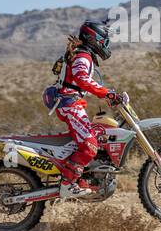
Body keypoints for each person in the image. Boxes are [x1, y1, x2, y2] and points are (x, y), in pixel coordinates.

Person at [42, 19, 128, 199]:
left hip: (70, 103)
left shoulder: (81, 54)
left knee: (88, 140)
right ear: (94, 38)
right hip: (69, 104)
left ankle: (81, 177)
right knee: (89, 146)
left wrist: (107, 95)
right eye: (104, 39)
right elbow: (82, 78)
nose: (106, 43)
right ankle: (67, 184)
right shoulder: (83, 56)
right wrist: (108, 94)